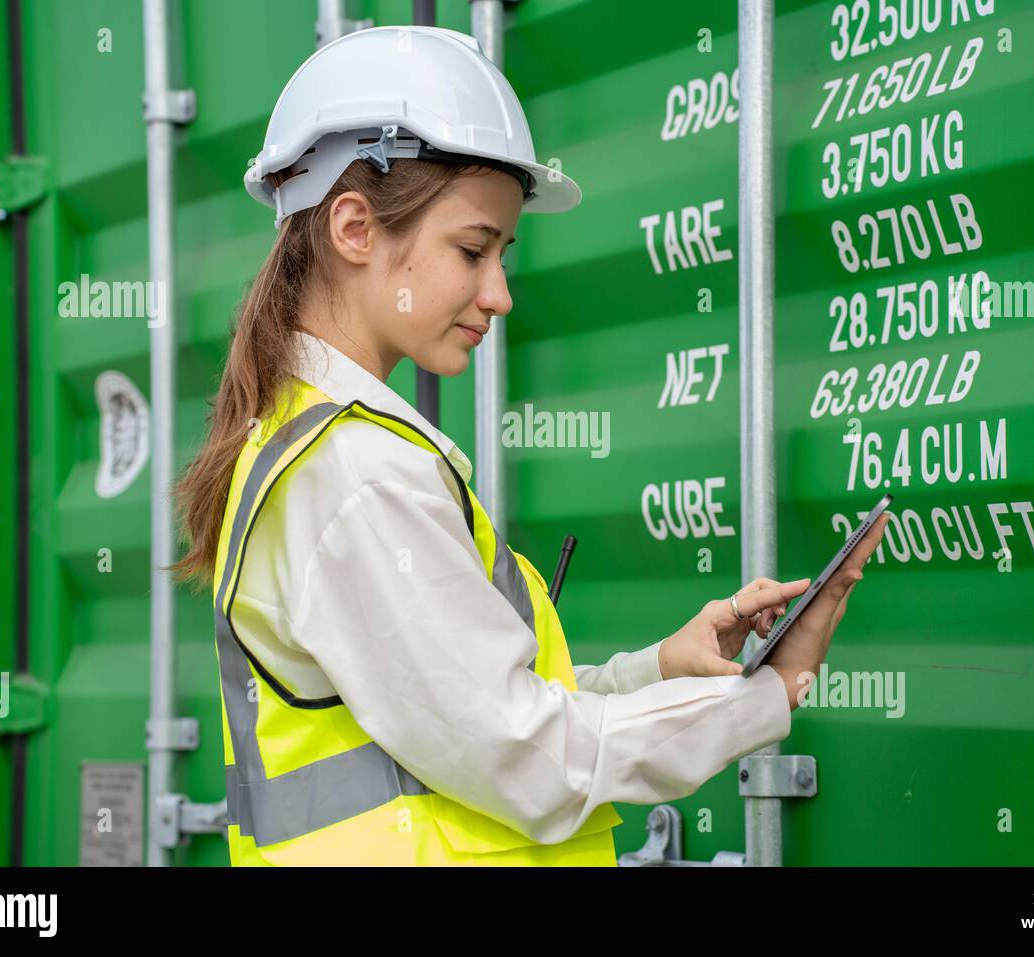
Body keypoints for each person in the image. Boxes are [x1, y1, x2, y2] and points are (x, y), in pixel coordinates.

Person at [172, 25, 888, 866]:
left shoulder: (310, 444)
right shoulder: (356, 475)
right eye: (473, 250)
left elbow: (465, 724)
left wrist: (659, 669)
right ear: (355, 228)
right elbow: (528, 759)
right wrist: (768, 691)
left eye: (502, 255)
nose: (499, 294)